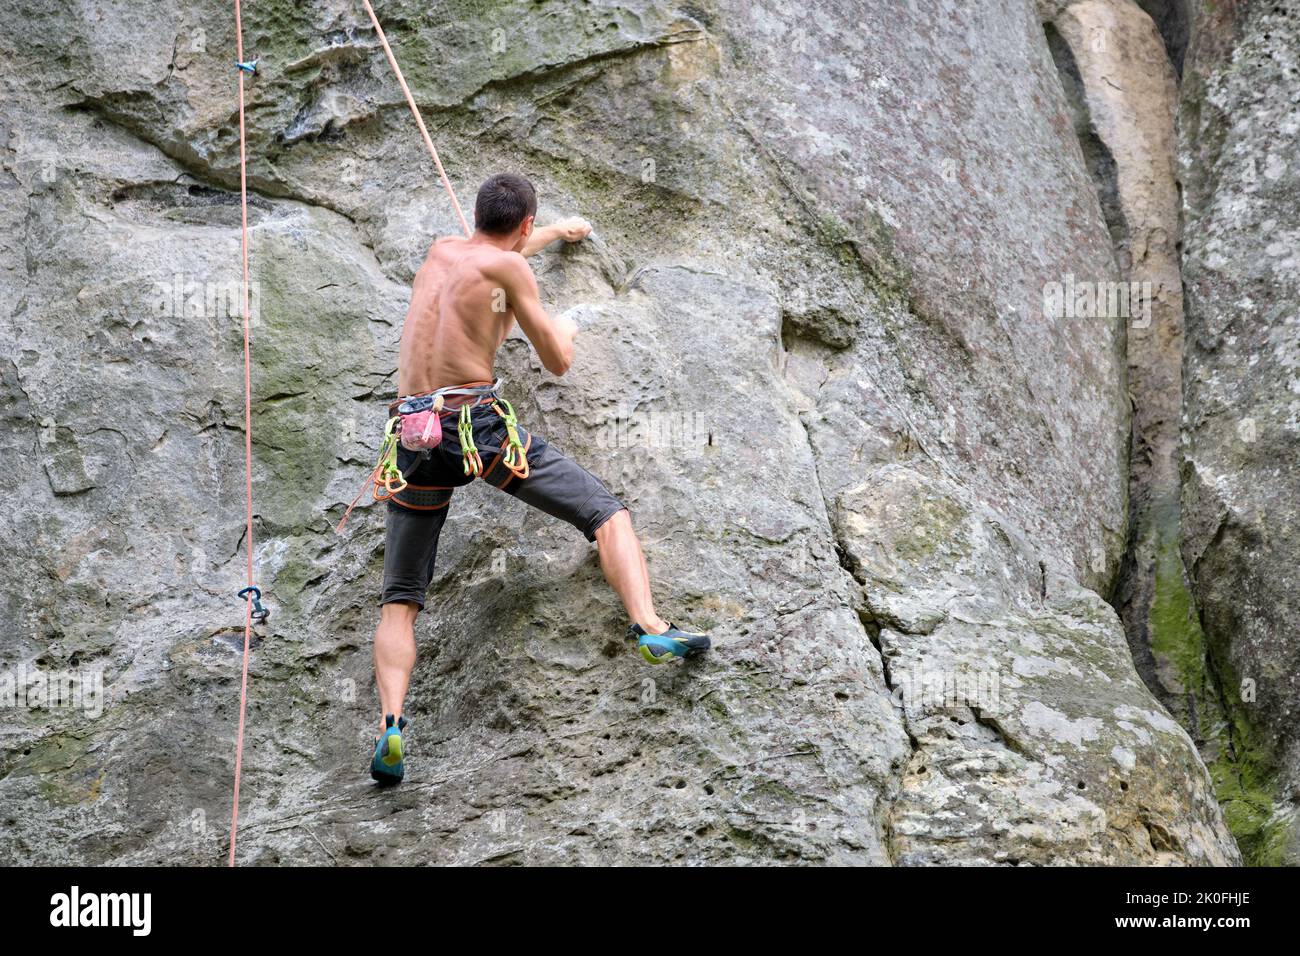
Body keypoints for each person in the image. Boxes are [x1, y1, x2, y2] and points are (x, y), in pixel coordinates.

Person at [369, 173, 711, 785]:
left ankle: (391, 725)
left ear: (476, 215)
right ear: (521, 226)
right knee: (606, 513)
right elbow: (558, 360)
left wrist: (552, 233)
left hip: (412, 437)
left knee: (401, 601)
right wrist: (569, 325)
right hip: (476, 432)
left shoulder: (440, 252)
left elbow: (491, 259)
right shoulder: (511, 271)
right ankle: (651, 627)